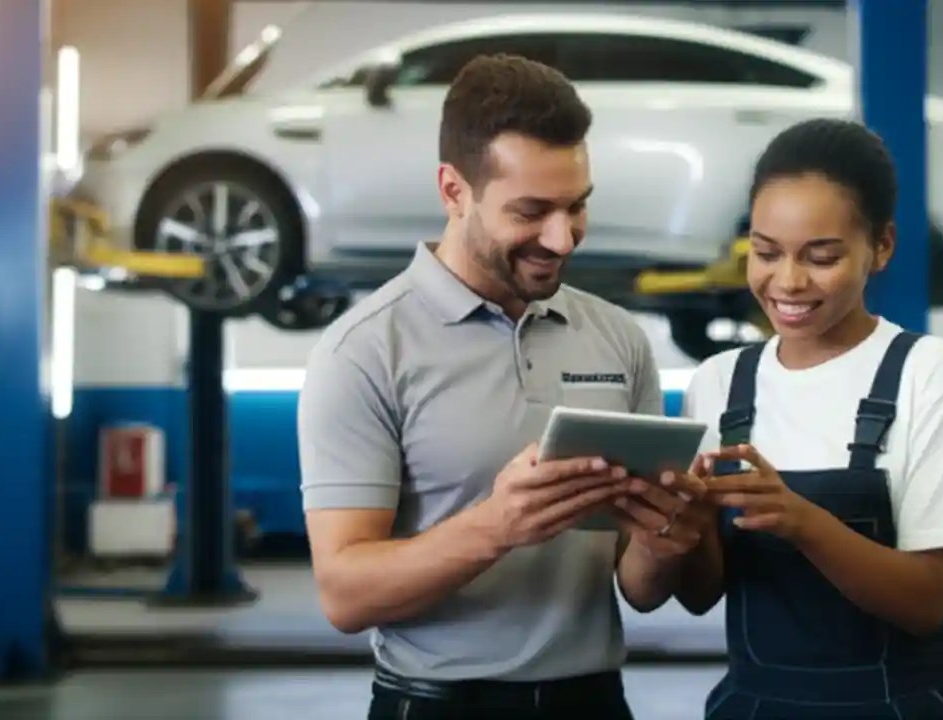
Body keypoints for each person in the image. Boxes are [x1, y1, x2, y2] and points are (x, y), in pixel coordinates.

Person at [297, 53, 705, 720]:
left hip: (594, 702)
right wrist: (496, 527)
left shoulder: (619, 339)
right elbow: (345, 596)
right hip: (438, 705)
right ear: (454, 191)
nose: (562, 238)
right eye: (532, 211)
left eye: (577, 206)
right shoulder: (363, 351)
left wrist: (664, 542)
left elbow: (639, 589)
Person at [674, 118, 943, 719]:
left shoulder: (929, 372)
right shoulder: (719, 383)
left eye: (821, 257)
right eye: (766, 253)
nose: (788, 281)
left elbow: (925, 602)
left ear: (882, 246)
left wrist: (802, 521)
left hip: (898, 702)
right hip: (757, 701)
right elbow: (700, 595)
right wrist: (679, 529)